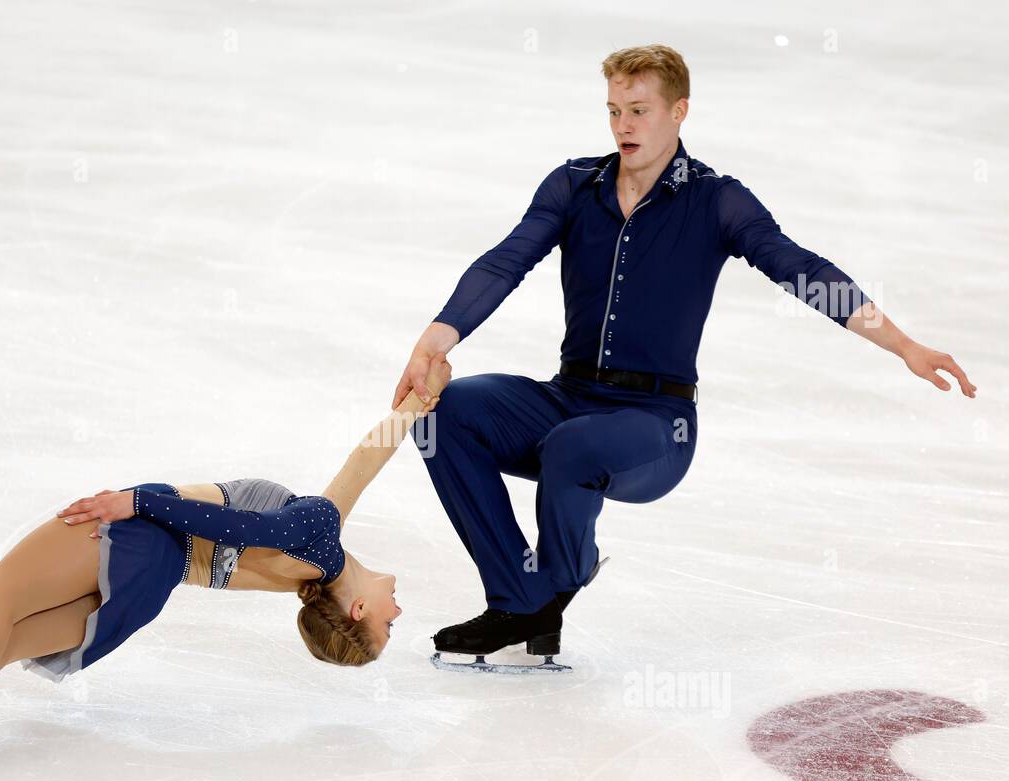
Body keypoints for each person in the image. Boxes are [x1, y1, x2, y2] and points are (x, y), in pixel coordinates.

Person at [390, 44, 976, 668]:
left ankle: (561, 579)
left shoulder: (715, 201)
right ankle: (519, 597)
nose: (623, 126)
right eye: (614, 110)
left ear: (679, 112)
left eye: (639, 110)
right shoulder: (573, 187)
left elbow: (801, 270)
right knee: (443, 411)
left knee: (575, 447)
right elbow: (507, 259)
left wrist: (903, 344)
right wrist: (441, 333)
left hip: (654, 426)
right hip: (568, 397)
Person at [0, 357, 453, 778]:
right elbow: (366, 459)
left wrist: (136, 500)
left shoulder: (317, 542)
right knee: (6, 640)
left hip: (140, 535)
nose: (401, 613)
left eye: (389, 628)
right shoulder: (306, 569)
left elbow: (239, 525)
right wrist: (417, 405)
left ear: (357, 612)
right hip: (146, 588)